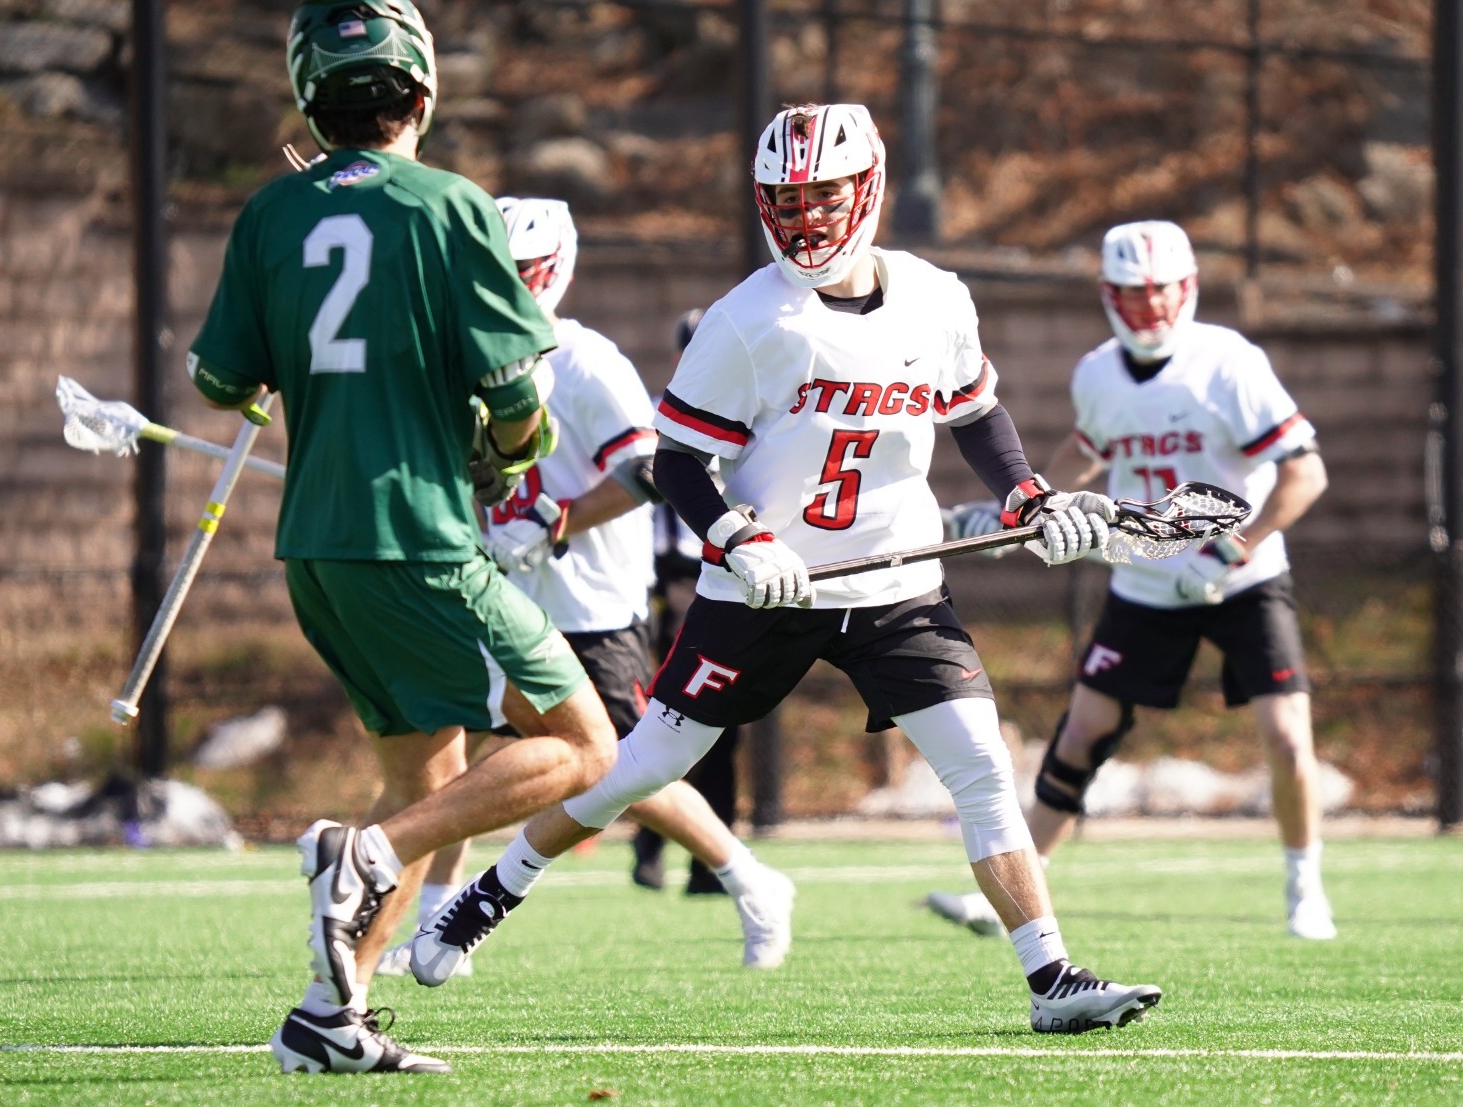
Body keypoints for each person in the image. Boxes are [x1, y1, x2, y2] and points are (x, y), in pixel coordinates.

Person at [387, 103, 1164, 1036]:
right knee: (639, 767)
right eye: (785, 197)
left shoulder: (936, 296)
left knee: (983, 767)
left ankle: (1050, 977)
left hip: (893, 588)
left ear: (868, 185)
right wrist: (738, 539)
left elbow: (976, 415)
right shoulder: (749, 319)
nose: (805, 215)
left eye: (823, 193)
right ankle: (485, 897)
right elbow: (675, 463)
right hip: (763, 588)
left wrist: (1031, 498)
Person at [187, 0, 621, 1074]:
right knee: (584, 748)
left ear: (311, 102)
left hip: (318, 550)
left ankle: (334, 1015)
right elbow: (516, 398)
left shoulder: (269, 215)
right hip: (421, 537)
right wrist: (508, 450)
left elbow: (219, 379)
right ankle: (358, 854)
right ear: (422, 96)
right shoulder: (451, 206)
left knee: (433, 790)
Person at [374, 199, 794, 979]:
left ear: (555, 268)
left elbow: (651, 471)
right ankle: (438, 924)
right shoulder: (464, 357)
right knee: (458, 755)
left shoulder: (586, 361)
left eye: (523, 272)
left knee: (620, 769)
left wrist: (550, 517)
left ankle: (750, 877)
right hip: (501, 592)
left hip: (590, 603)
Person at [926, 220, 1336, 942]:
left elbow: (1305, 472)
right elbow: (1085, 454)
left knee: (1286, 736)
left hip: (1240, 580)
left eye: (1160, 292)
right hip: (1147, 580)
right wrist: (1023, 503)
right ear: (1108, 295)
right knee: (1082, 731)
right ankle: (1024, 888)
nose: (1147, 308)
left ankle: (1306, 885)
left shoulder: (1228, 363)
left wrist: (1238, 549)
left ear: (1188, 288)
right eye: (1131, 294)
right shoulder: (1097, 373)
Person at [633, 307, 746, 896]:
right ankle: (650, 848)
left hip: (730, 571)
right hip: (667, 578)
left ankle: (711, 862)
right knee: (666, 715)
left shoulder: (752, 403)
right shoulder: (663, 409)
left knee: (719, 722)